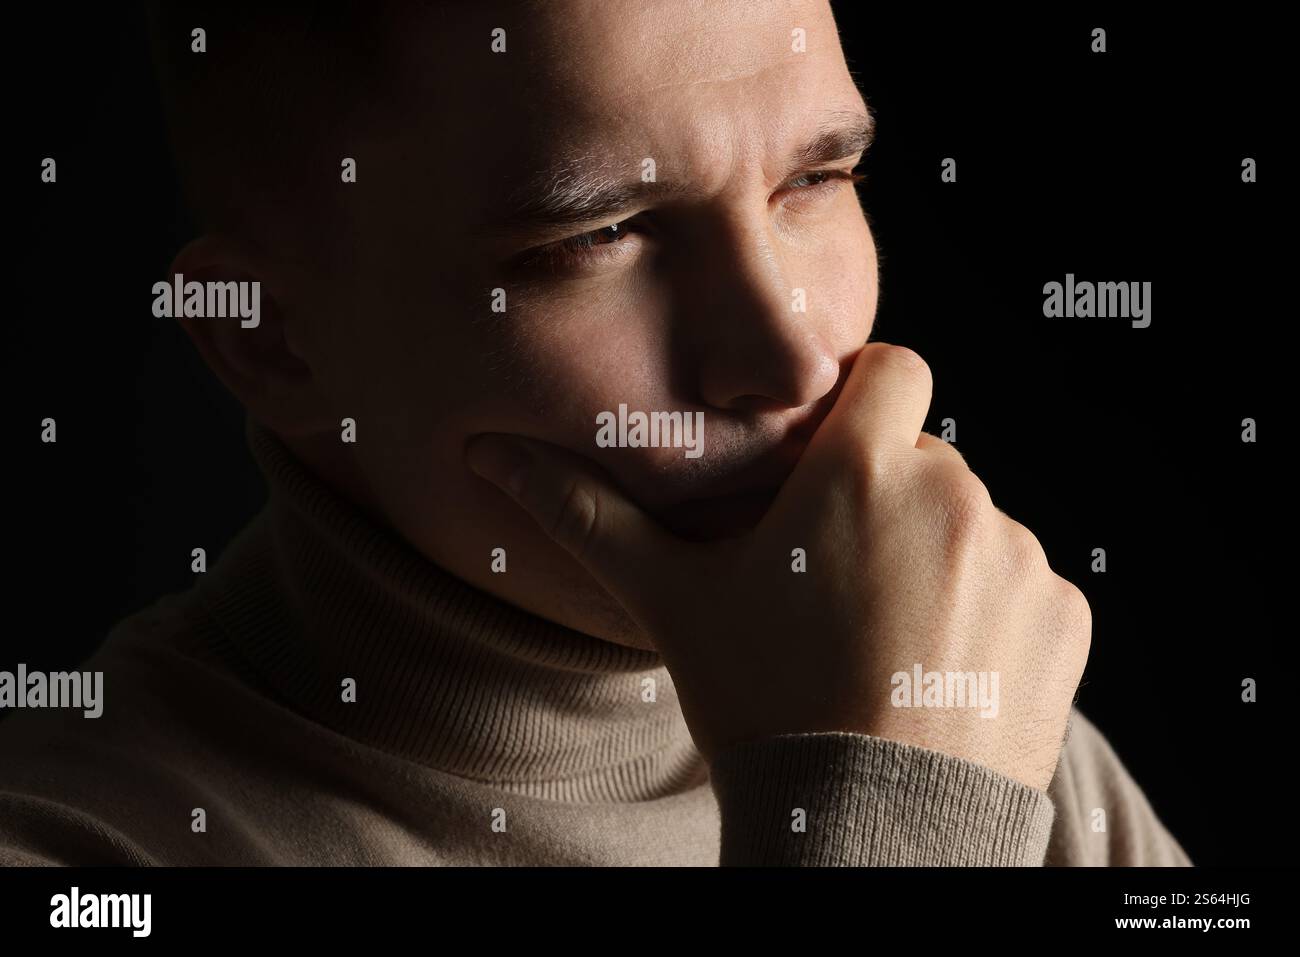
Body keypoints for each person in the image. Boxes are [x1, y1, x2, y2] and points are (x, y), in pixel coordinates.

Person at [0, 0, 1189, 866]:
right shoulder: (78, 852)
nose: (787, 356)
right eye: (599, 236)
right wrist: (892, 824)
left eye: (816, 180)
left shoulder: (950, 697)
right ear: (272, 342)